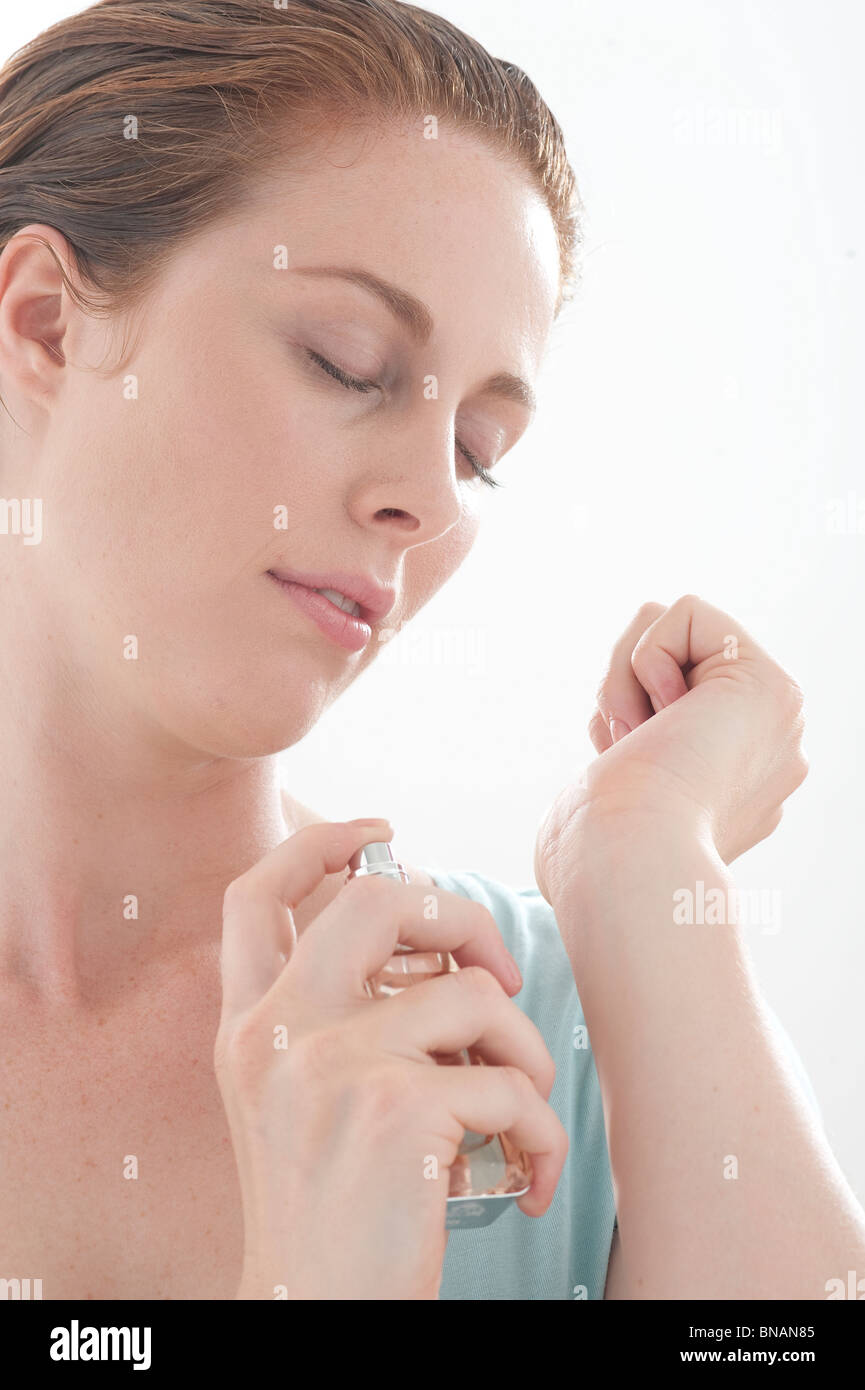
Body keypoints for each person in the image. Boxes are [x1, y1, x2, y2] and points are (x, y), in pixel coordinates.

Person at [0, 0, 861, 1302]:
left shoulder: (560, 1035)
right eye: (344, 362)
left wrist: (637, 869)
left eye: (477, 451)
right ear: (45, 322)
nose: (433, 497)